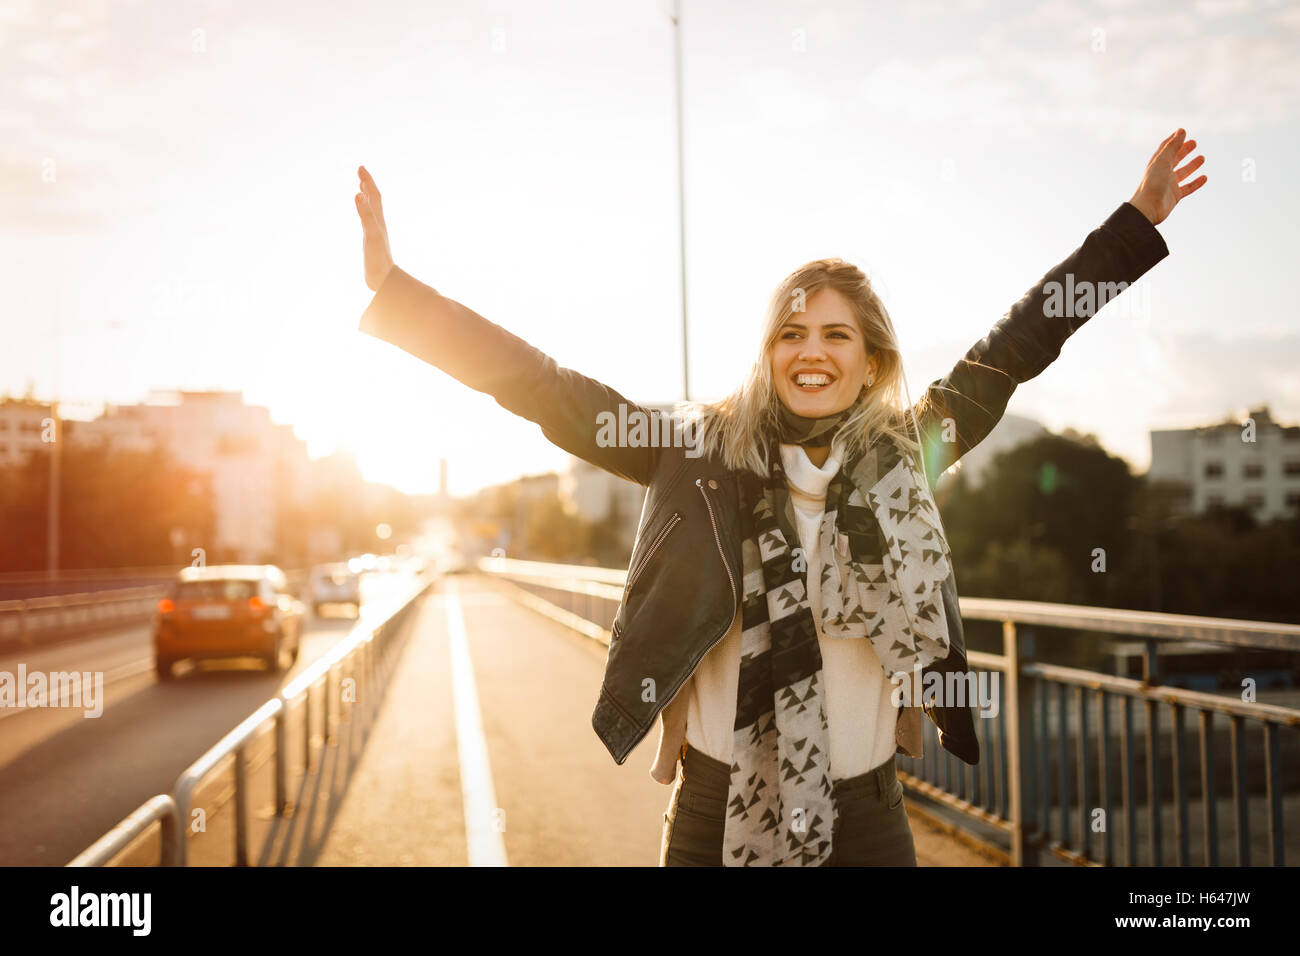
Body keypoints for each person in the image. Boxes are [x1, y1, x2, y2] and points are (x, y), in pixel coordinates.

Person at [353, 130, 1205, 866]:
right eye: (790, 333)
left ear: (870, 359)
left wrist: (1131, 229)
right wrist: (397, 293)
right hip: (713, 810)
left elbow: (1019, 345)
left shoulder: (908, 453)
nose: (812, 352)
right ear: (767, 353)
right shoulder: (695, 454)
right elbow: (545, 389)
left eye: (837, 334)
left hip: (869, 814)